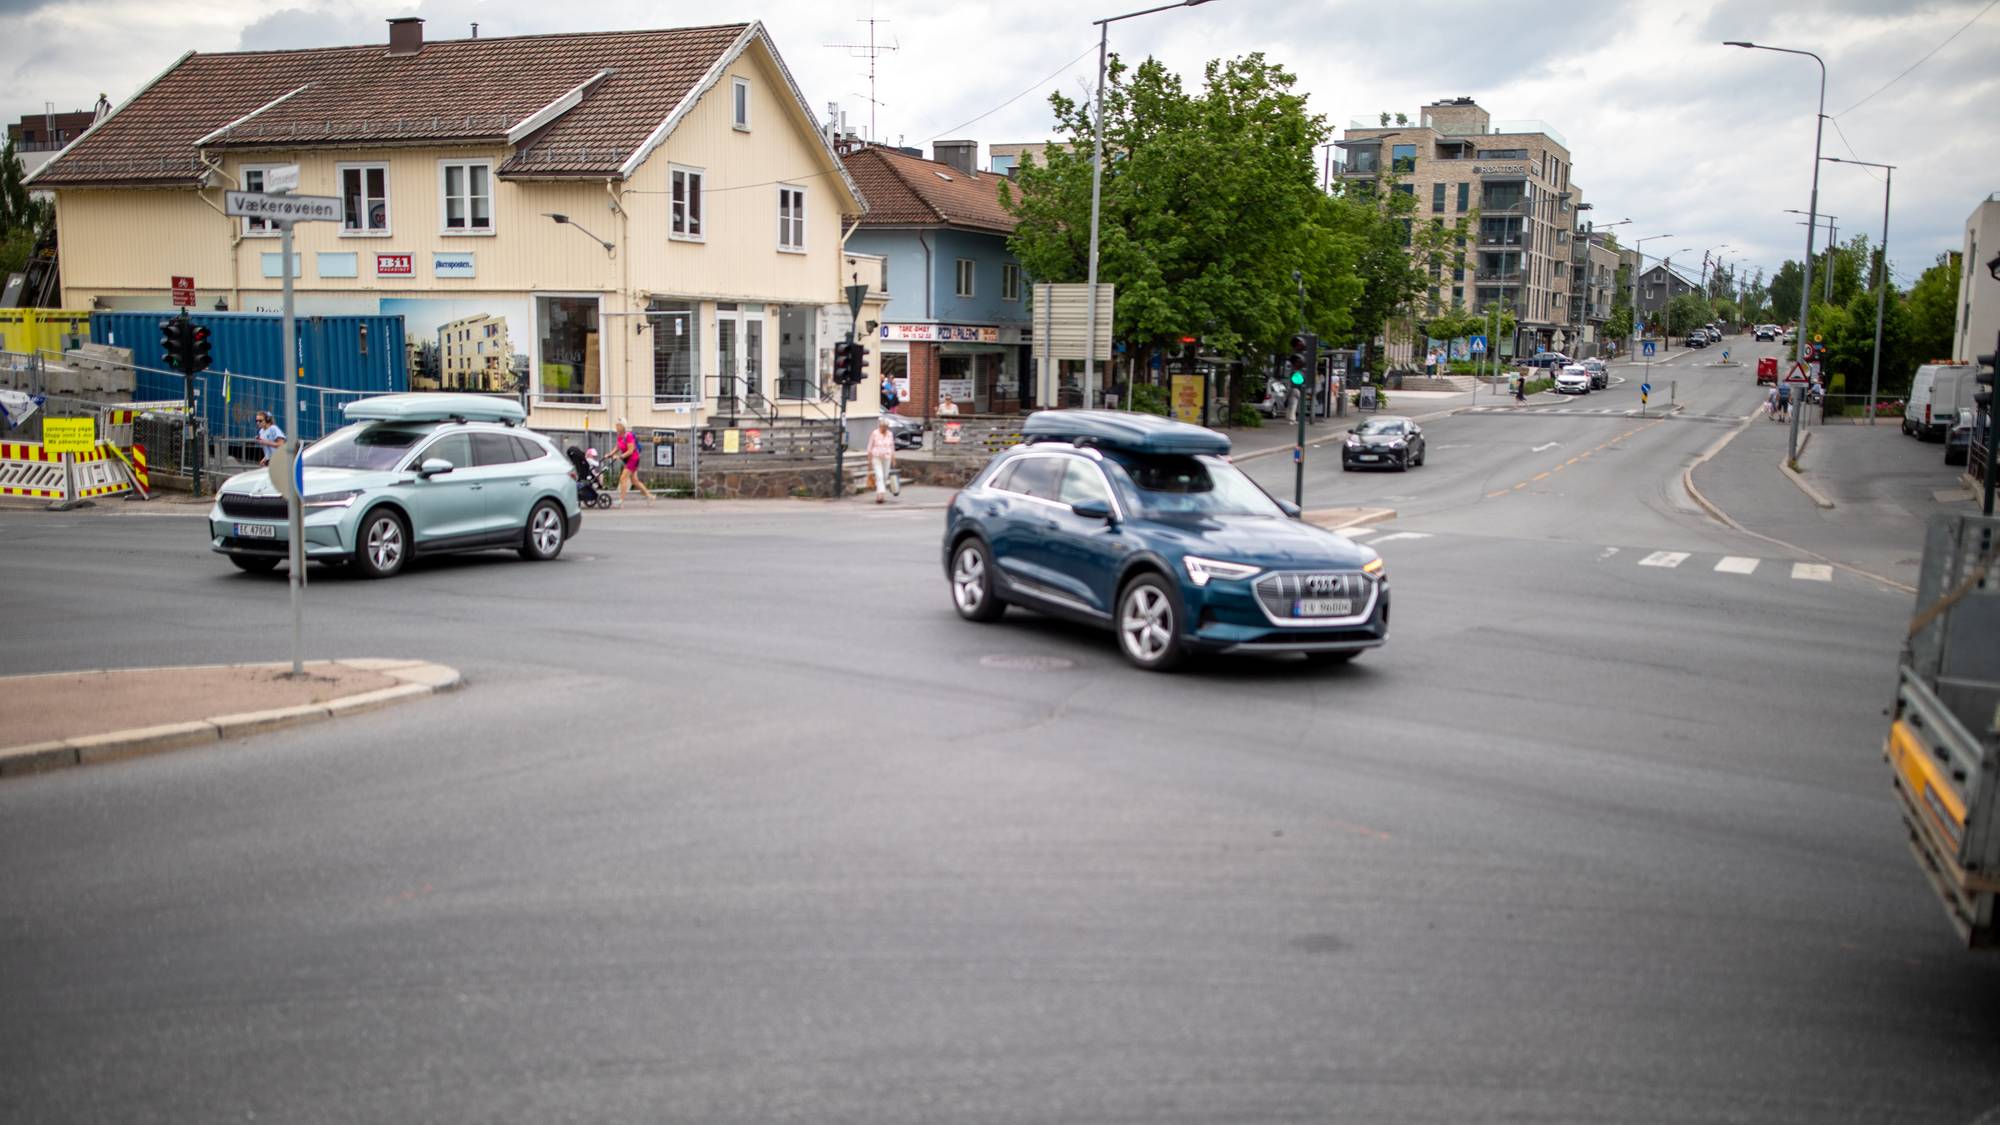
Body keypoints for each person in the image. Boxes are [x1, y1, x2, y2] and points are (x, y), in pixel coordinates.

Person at [610, 418, 654, 506]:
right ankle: (650, 496)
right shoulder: (619, 436)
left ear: (623, 427)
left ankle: (621, 501)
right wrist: (610, 454)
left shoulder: (628, 436)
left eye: (618, 425)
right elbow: (618, 447)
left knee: (623, 478)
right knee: (634, 481)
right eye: (616, 425)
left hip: (633, 459)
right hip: (628, 459)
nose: (616, 427)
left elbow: (631, 450)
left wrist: (620, 456)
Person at [866, 416, 897, 504]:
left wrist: (893, 458)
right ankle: (881, 495)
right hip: (876, 457)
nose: (885, 429)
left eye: (886, 427)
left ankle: (880, 492)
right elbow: (869, 447)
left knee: (885, 476)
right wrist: (869, 461)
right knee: (879, 476)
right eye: (883, 427)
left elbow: (892, 446)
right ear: (880, 426)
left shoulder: (889, 434)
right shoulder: (874, 433)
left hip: (887, 457)